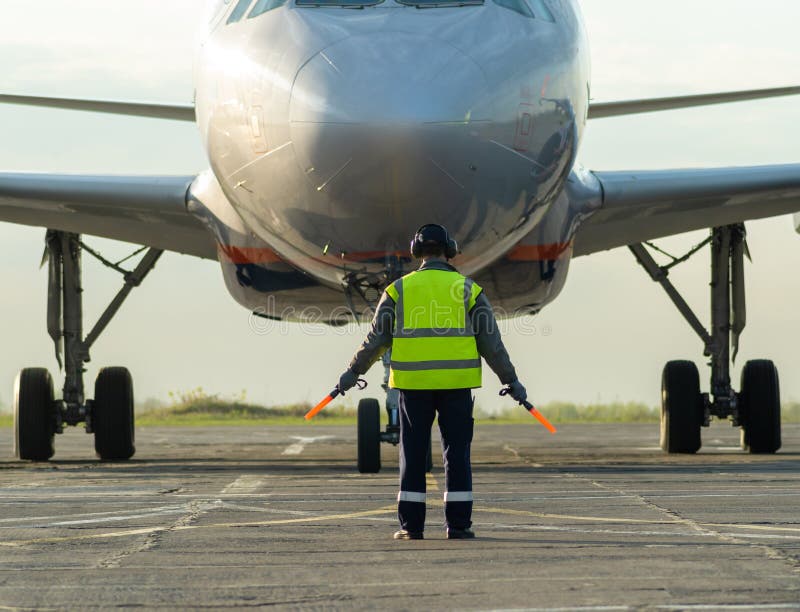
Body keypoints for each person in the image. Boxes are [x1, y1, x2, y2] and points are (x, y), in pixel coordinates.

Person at [338, 224, 527, 540]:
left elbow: (376, 340)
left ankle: (412, 527)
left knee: (412, 455)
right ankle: (459, 526)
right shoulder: (468, 289)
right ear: (450, 250)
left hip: (413, 387)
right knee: (457, 454)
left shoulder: (398, 290)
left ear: (416, 252)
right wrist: (512, 381)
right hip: (457, 385)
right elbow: (491, 344)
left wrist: (352, 372)